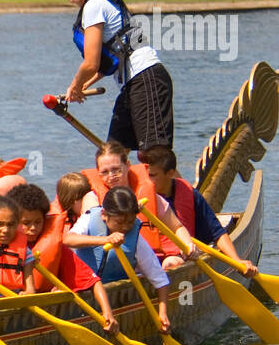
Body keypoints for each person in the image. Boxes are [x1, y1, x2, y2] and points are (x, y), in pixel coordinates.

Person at [57, 0, 174, 152]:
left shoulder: (94, 6)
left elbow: (91, 63)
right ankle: (119, 184)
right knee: (114, 154)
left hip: (145, 79)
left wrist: (75, 86)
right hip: (133, 84)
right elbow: (110, 59)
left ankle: (184, 185)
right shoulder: (94, 5)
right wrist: (84, 85)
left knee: (155, 156)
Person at [64, 185, 171, 333]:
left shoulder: (136, 240)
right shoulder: (89, 219)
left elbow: (160, 280)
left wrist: (163, 313)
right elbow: (68, 240)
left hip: (109, 288)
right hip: (80, 285)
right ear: (104, 215)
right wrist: (106, 240)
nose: (126, 227)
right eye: (120, 222)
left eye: (130, 222)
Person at [140, 146, 257, 276]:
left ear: (170, 173)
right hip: (147, 258)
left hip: (178, 258)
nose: (147, 180)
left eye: (152, 175)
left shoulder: (189, 194)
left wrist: (237, 261)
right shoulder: (139, 195)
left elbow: (217, 233)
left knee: (170, 264)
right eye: (146, 175)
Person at [81, 140, 195, 266]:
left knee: (172, 263)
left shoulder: (148, 195)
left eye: (116, 169)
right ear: (98, 173)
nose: (111, 176)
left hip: (150, 259)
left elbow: (177, 227)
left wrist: (188, 245)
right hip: (111, 262)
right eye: (105, 172)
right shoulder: (92, 199)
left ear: (128, 165)